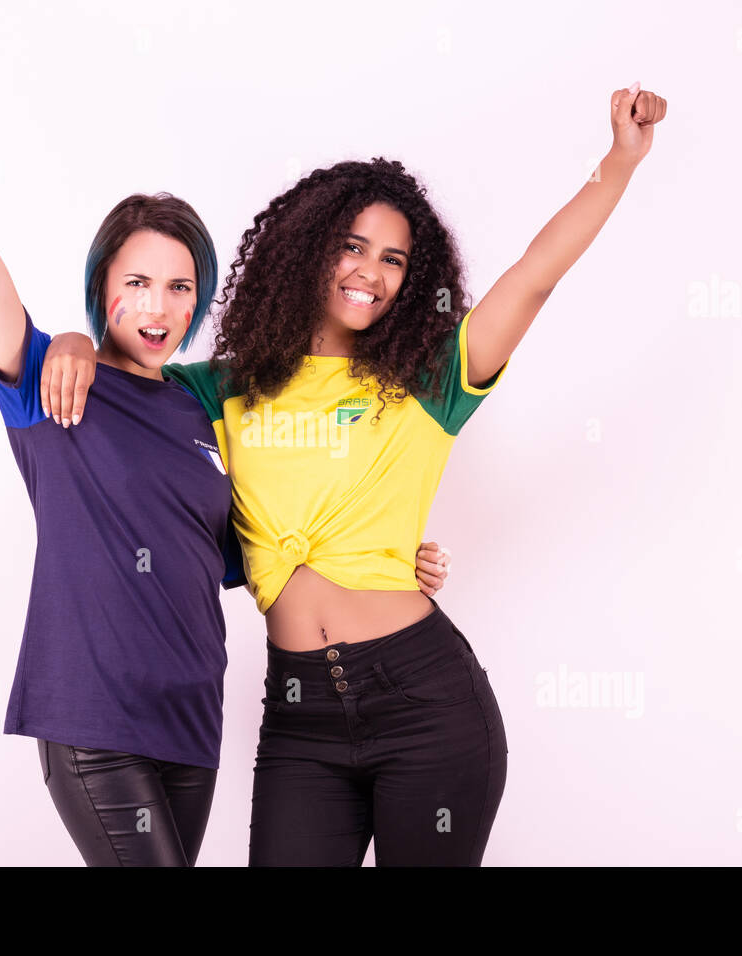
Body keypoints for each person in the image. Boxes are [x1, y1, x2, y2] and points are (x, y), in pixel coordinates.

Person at [39, 81, 667, 865]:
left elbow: (535, 275)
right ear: (308, 250)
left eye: (394, 259)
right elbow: (130, 370)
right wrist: (70, 338)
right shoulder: (221, 387)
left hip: (428, 705)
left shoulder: (430, 377)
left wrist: (619, 161)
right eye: (352, 246)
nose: (371, 271)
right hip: (300, 719)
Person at [0, 28, 453, 867]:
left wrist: (393, 555)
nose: (158, 305)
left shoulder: (196, 407)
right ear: (102, 286)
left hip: (190, 722)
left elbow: (262, 534)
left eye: (179, 287)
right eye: (135, 282)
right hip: (95, 721)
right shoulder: (49, 385)